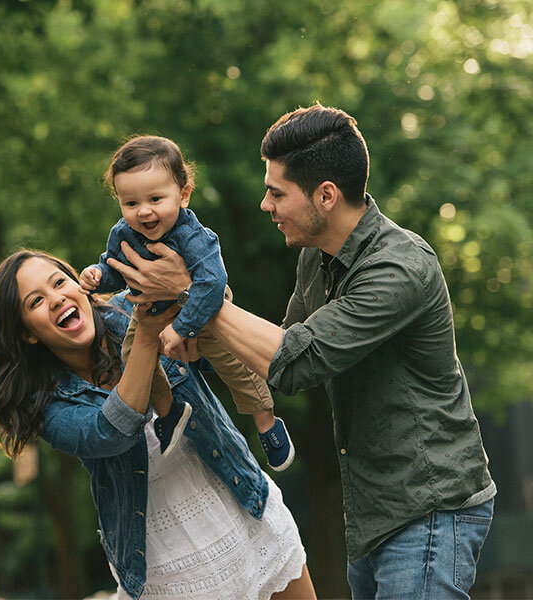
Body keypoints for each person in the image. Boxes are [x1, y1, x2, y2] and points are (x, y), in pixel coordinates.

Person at [106, 104, 496, 599]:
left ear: (326, 196)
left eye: (276, 192)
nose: (265, 205)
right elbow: (277, 352)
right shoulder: (318, 257)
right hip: (374, 510)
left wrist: (191, 291)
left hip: (432, 508)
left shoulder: (399, 268)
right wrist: (191, 331)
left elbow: (296, 360)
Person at [0, 249, 316, 600]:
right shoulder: (51, 407)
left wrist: (195, 327)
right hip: (164, 563)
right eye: (36, 301)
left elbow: (221, 338)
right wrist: (148, 335)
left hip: (245, 503)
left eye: (59, 282)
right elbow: (112, 432)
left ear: (81, 286)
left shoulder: (133, 307)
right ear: (27, 334)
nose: (56, 298)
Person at [79, 135, 294, 470]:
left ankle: (266, 421)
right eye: (130, 203)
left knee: (235, 362)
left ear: (183, 194)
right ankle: (169, 411)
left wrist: (183, 328)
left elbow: (211, 283)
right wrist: (97, 274)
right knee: (132, 356)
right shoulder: (122, 233)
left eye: (155, 198)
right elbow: (115, 266)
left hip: (203, 307)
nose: (144, 211)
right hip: (153, 312)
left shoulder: (192, 236)